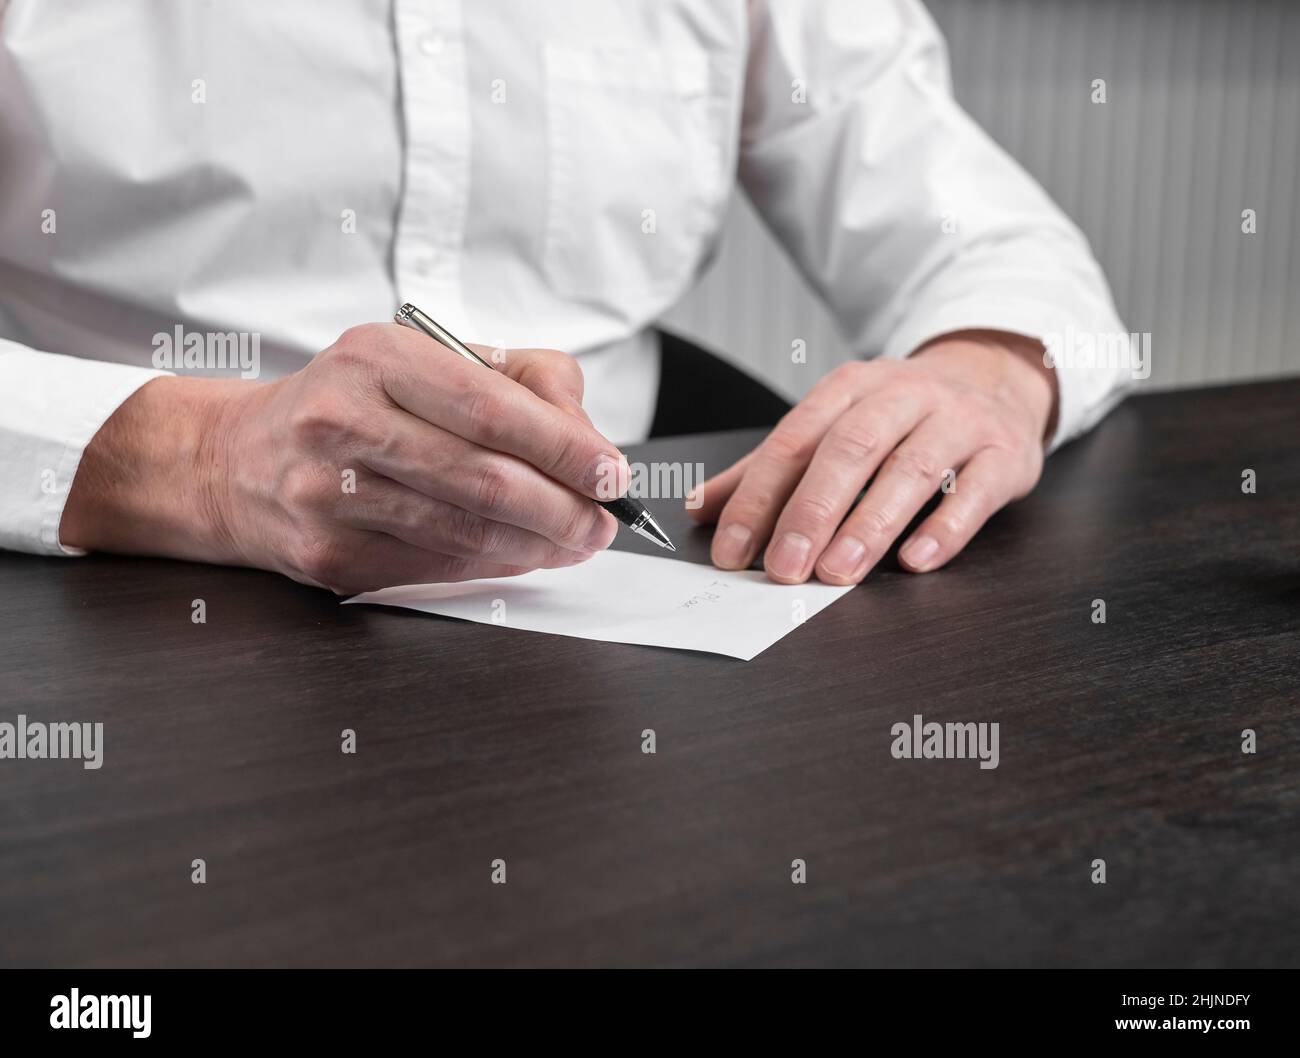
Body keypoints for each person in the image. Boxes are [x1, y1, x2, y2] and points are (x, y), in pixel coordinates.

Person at [0, 0, 1131, 593]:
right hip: (116, 577)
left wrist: (981, 369)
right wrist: (196, 463)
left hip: (610, 593)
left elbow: (989, 238)